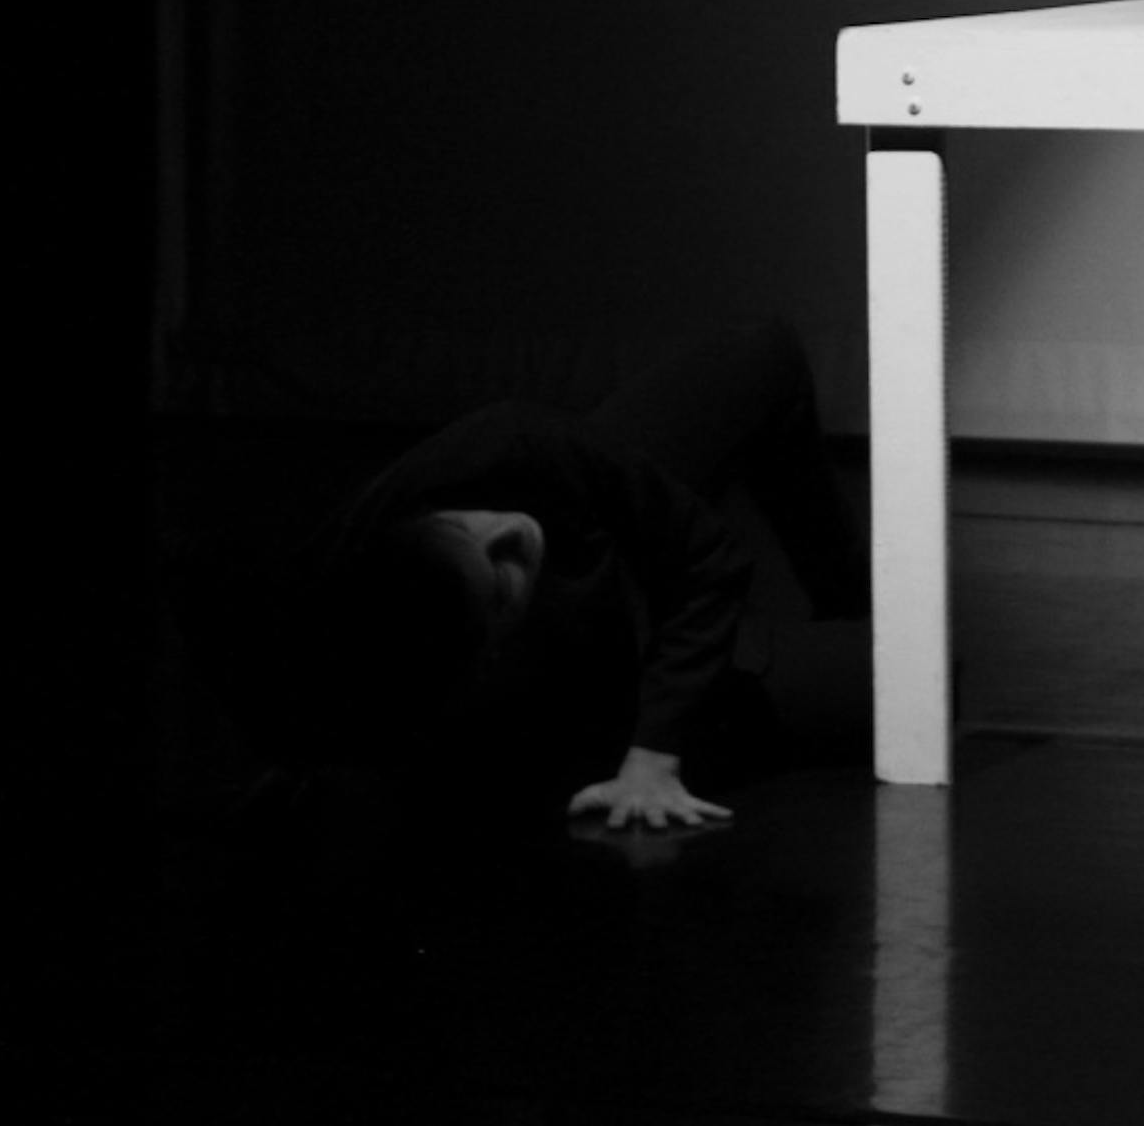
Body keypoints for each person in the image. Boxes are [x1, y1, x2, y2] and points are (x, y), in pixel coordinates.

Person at [240, 318, 867, 838]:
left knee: (765, 353)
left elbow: (705, 555)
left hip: (594, 520)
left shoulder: (492, 453)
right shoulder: (500, 700)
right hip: (624, 658)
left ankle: (850, 597)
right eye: (501, 578)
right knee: (907, 681)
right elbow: (704, 583)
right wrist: (650, 756)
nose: (508, 534)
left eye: (465, 530)